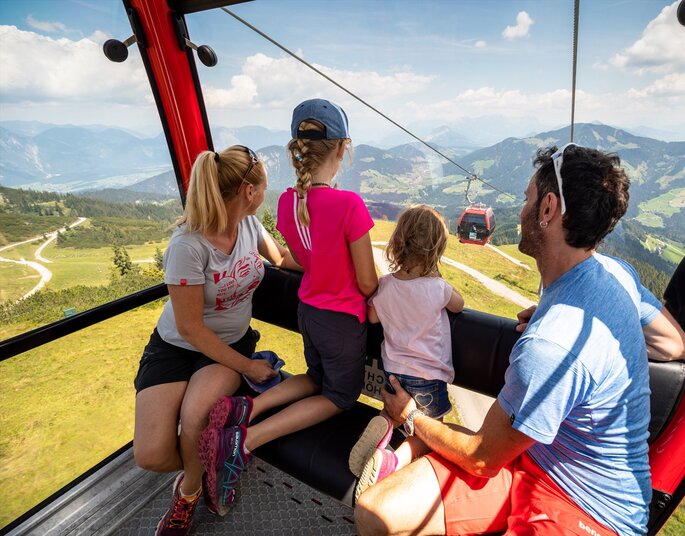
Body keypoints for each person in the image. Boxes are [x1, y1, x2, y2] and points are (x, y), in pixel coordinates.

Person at [355, 144, 685, 536]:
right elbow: (674, 345)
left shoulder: (553, 344)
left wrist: (409, 415)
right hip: (525, 459)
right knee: (374, 513)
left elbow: (481, 459)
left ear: (548, 209)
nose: (521, 208)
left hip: (587, 508)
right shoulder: (615, 273)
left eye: (527, 198)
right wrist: (568, 323)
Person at [199, 98, 378, 516]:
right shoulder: (348, 205)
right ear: (341, 149)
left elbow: (305, 259)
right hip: (340, 321)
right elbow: (367, 281)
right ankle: (246, 440)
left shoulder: (285, 204)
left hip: (308, 313)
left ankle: (247, 406)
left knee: (316, 375)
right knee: (340, 396)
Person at [132, 144, 301, 535]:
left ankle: (188, 495)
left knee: (195, 417)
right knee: (151, 454)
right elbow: (191, 329)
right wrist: (249, 367)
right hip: (176, 346)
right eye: (263, 187)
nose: (265, 194)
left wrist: (336, 264)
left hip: (227, 346)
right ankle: (215, 456)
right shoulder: (187, 246)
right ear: (248, 191)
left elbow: (282, 260)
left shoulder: (249, 226)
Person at [349, 205, 465, 499]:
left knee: (396, 411)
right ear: (436, 250)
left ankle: (384, 426)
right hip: (428, 376)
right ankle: (392, 460)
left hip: (394, 372)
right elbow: (459, 305)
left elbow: (373, 317)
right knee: (428, 433)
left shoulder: (385, 287)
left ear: (398, 243)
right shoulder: (437, 288)